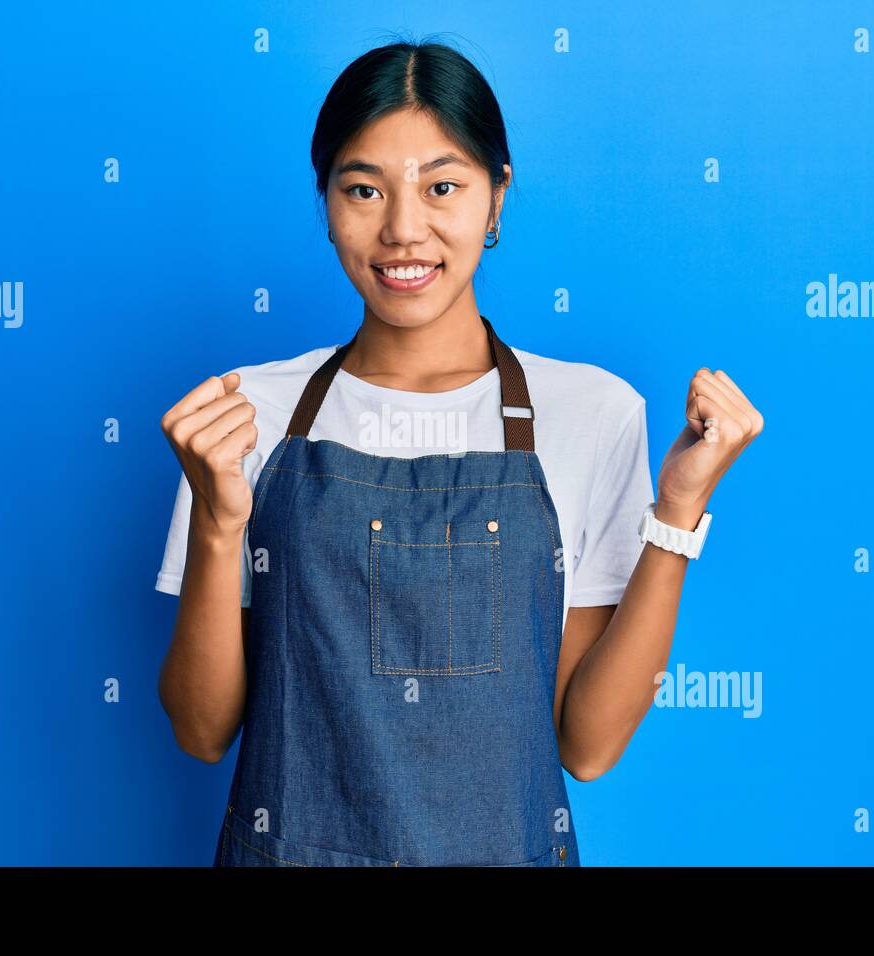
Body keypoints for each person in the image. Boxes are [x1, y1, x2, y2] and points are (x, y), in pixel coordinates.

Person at [156, 40, 763, 867]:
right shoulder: (240, 417)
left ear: (496, 199)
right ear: (327, 203)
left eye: (443, 187)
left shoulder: (592, 412)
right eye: (364, 188)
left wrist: (678, 512)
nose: (404, 230)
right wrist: (221, 528)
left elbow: (586, 746)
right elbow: (200, 730)